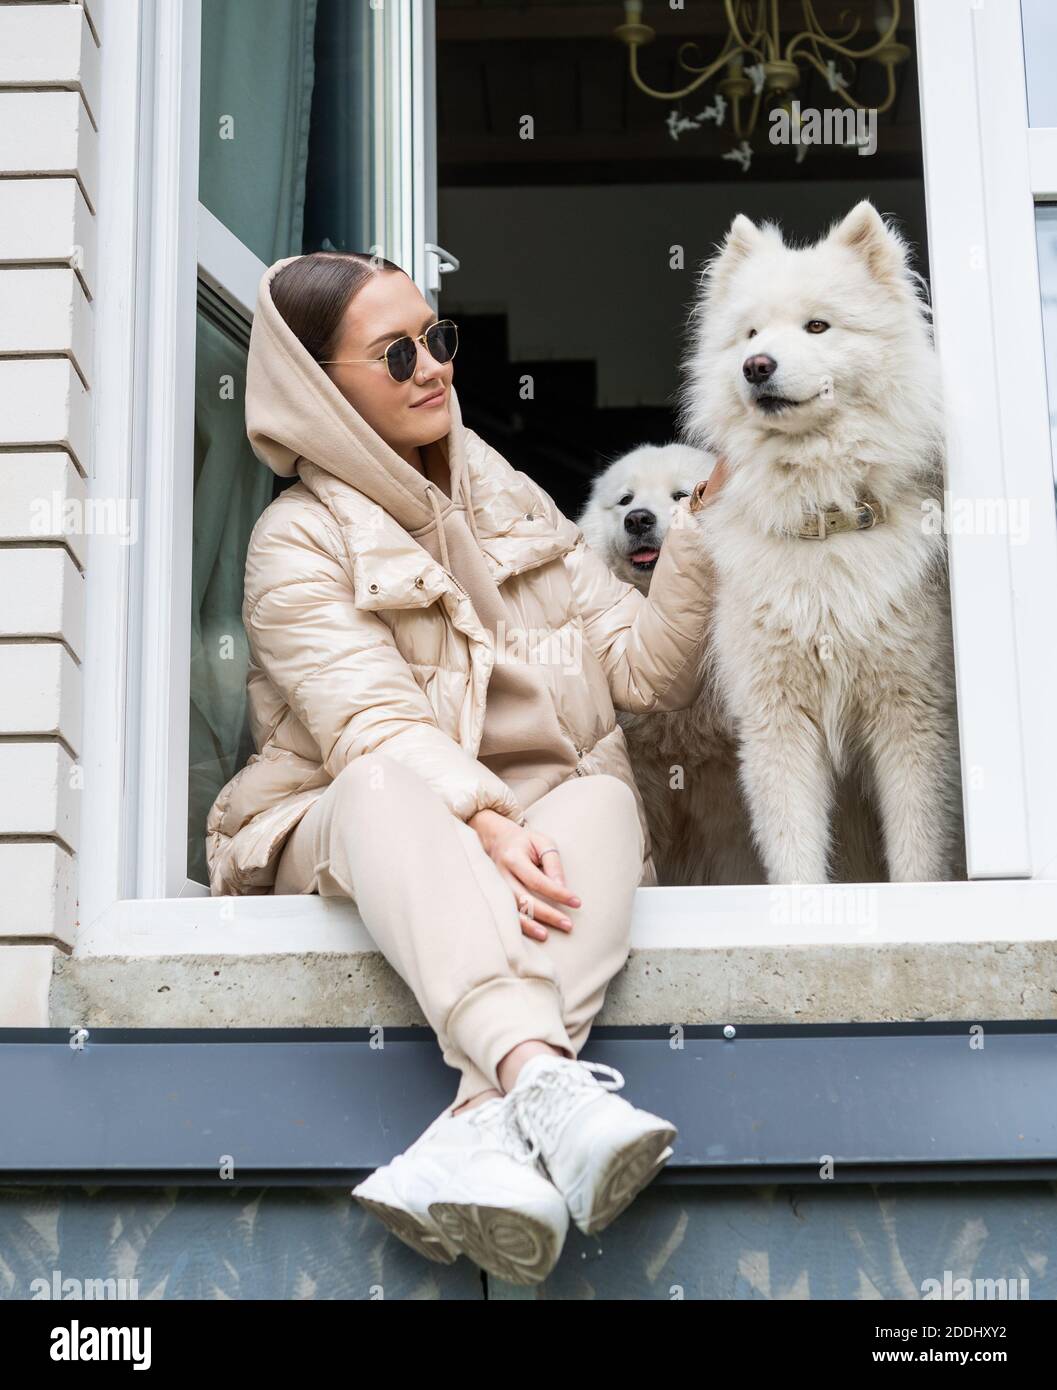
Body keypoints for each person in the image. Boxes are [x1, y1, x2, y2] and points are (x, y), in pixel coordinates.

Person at [205, 250, 726, 1286]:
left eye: (438, 339)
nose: (431, 368)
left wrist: (702, 530)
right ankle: (543, 1077)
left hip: (531, 826)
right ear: (319, 387)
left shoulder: (511, 499)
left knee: (607, 801)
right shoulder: (293, 541)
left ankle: (475, 1131)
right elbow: (372, 724)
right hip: (354, 820)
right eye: (394, 354)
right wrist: (486, 819)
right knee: (383, 784)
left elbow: (642, 670)